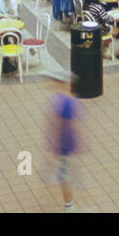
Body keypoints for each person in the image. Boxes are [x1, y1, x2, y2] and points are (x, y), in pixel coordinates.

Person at [48, 75, 82, 212]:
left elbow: (66, 126)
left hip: (64, 147)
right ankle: (71, 204)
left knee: (64, 176)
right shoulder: (67, 101)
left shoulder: (65, 103)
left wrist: (56, 145)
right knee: (66, 175)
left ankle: (69, 206)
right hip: (65, 146)